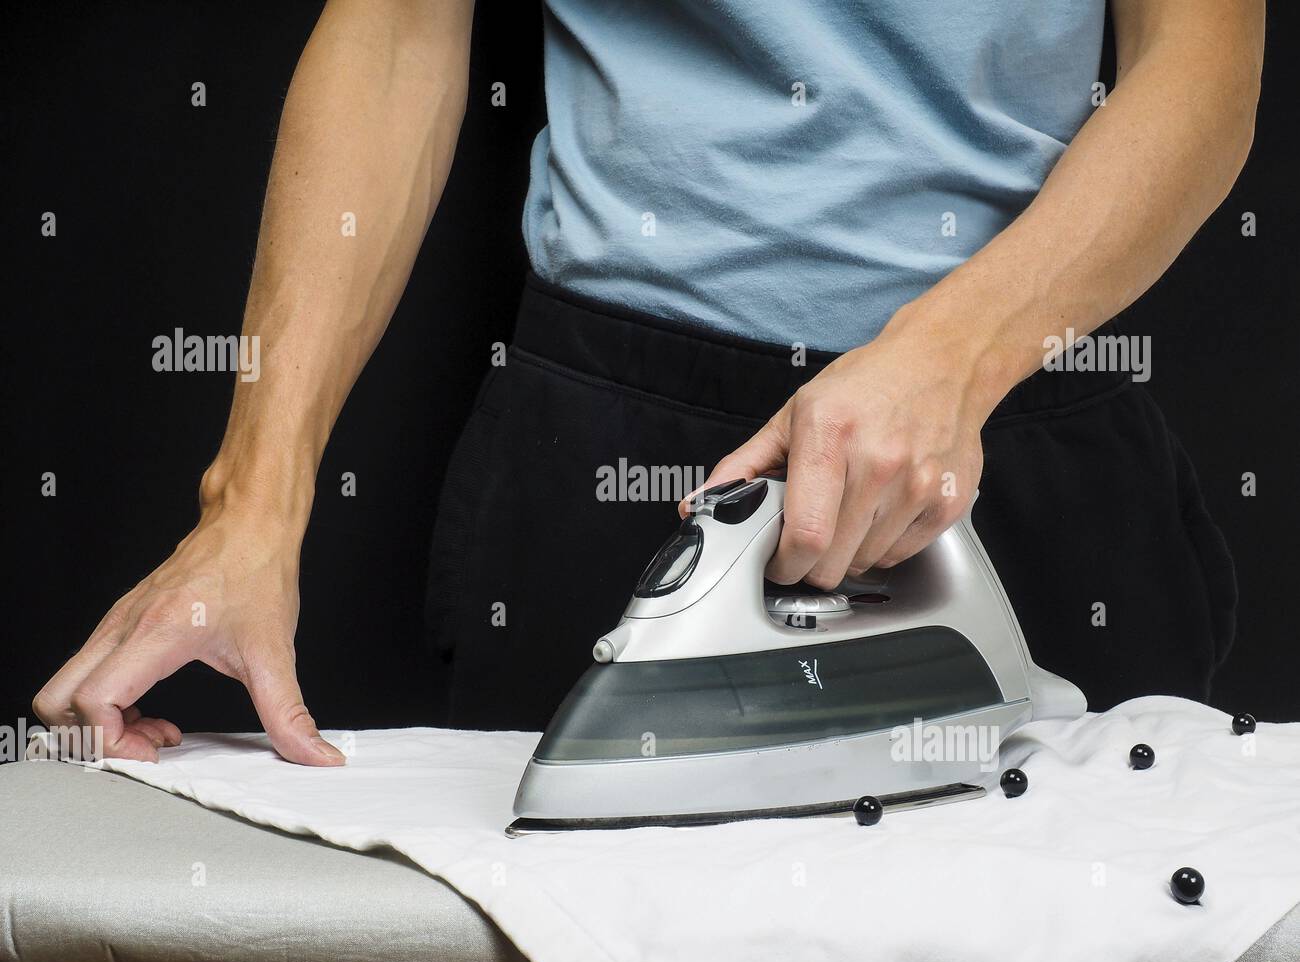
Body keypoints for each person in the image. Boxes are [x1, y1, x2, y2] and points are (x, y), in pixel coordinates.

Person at [33, 0, 1262, 764]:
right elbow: (401, 29)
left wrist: (954, 352)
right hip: (612, 437)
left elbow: (1201, 61)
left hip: (1004, 412)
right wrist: (251, 505)